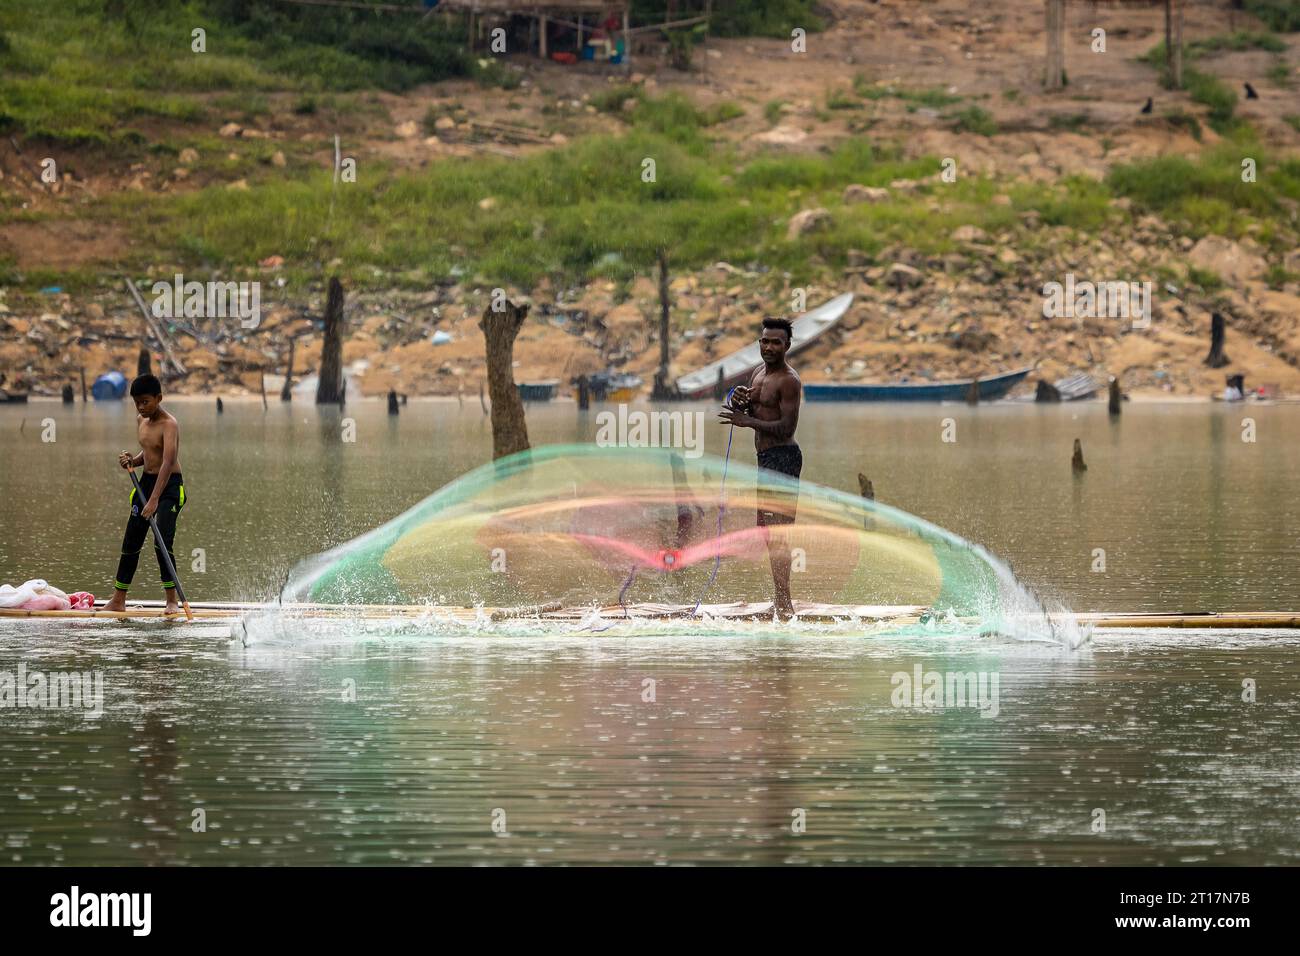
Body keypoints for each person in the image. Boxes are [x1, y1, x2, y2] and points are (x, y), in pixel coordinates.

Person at [718, 317, 803, 619]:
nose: (768, 347)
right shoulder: (757, 374)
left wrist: (747, 421)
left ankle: (785, 603)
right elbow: (755, 410)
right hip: (765, 460)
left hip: (783, 458)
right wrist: (741, 403)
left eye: (775, 342)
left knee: (779, 533)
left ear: (787, 346)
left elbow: (786, 426)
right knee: (769, 532)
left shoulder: (789, 380)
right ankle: (780, 599)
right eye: (764, 341)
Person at [104, 374, 187, 614]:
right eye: (137, 402)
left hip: (169, 485)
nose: (141, 407)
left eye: (146, 402)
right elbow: (150, 453)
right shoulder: (141, 419)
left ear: (159, 398)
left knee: (163, 541)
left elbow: (168, 461)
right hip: (146, 482)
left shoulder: (170, 424)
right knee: (132, 539)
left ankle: (171, 602)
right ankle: (118, 600)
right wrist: (133, 460)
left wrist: (153, 501)